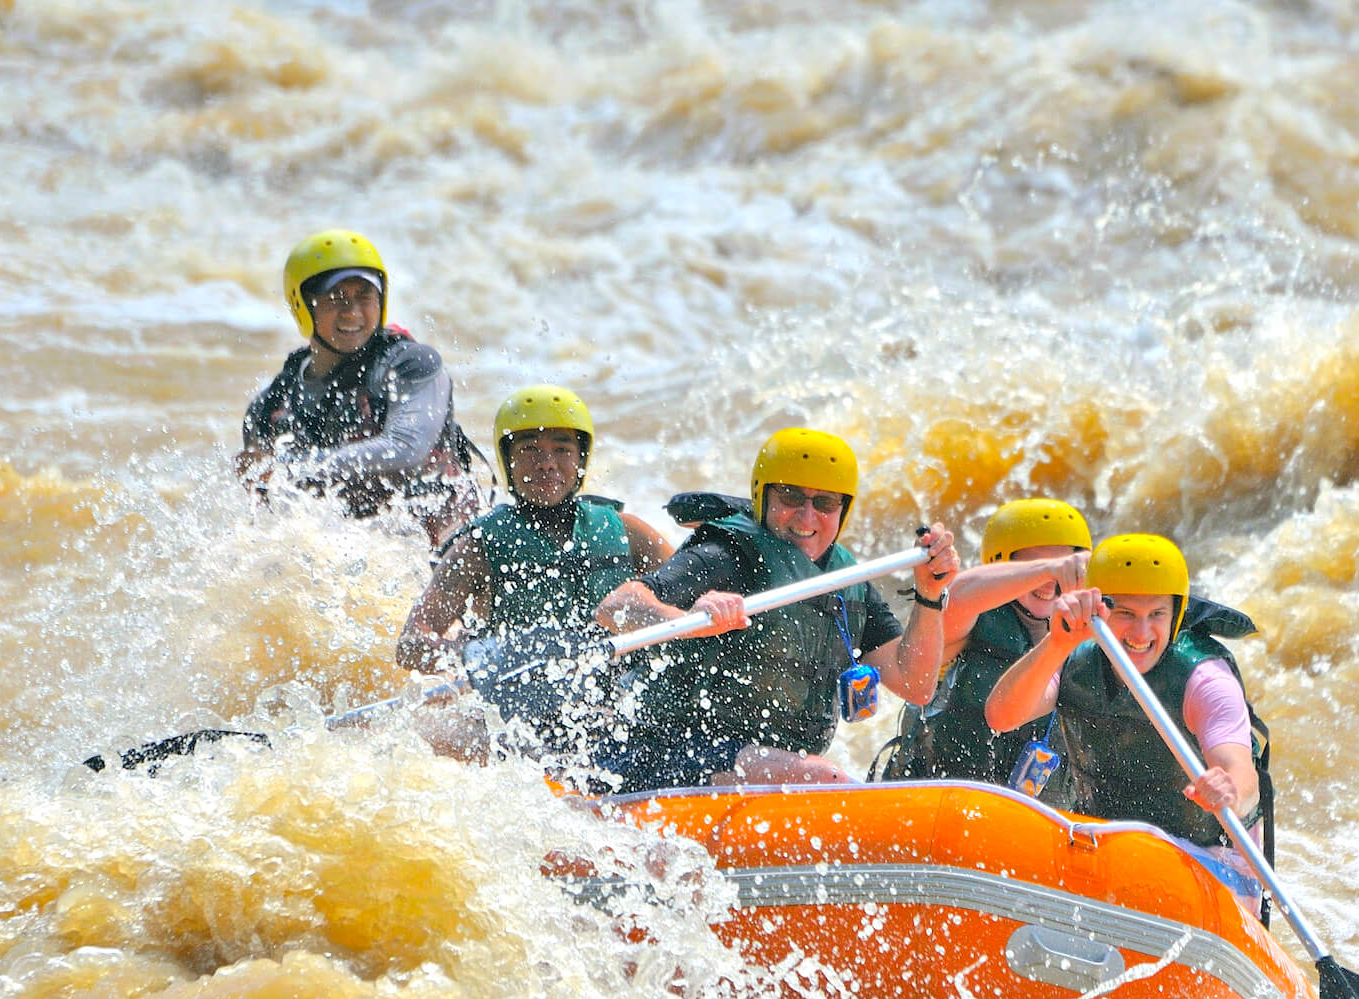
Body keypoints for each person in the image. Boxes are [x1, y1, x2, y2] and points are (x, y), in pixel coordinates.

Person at [593, 427, 959, 788]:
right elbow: (615, 607)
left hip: (769, 765)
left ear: (843, 510)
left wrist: (929, 595)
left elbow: (916, 685)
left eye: (825, 503)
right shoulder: (726, 554)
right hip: (666, 751)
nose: (806, 517)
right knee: (824, 776)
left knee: (819, 773)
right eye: (790, 497)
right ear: (762, 496)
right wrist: (687, 621)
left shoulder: (848, 581)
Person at [395, 384, 672, 765]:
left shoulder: (626, 532)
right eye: (529, 450)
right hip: (520, 720)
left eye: (562, 449)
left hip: (613, 711)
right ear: (508, 461)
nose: (547, 463)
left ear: (581, 460)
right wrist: (474, 657)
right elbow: (411, 644)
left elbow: (690, 593)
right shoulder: (478, 546)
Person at [983, 533, 1271, 856]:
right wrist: (1056, 644)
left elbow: (1244, 779)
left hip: (1205, 853)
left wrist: (1230, 789)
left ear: (1175, 615)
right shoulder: (1072, 655)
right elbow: (1001, 716)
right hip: (1105, 842)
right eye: (1127, 614)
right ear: (1099, 609)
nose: (1141, 633)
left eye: (1156, 615)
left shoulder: (1205, 679)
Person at [238, 229, 482, 544]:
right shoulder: (273, 403)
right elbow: (261, 500)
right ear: (303, 306)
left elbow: (405, 448)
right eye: (336, 298)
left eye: (365, 296)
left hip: (443, 547)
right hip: (347, 551)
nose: (352, 312)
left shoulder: (412, 365)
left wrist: (288, 467)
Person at [873, 498, 1091, 795]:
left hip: (1028, 816)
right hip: (937, 795)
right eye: (1035, 566)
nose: (1048, 584)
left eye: (1064, 570)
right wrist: (1052, 568)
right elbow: (958, 594)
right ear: (999, 564)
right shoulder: (968, 617)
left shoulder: (1087, 635)